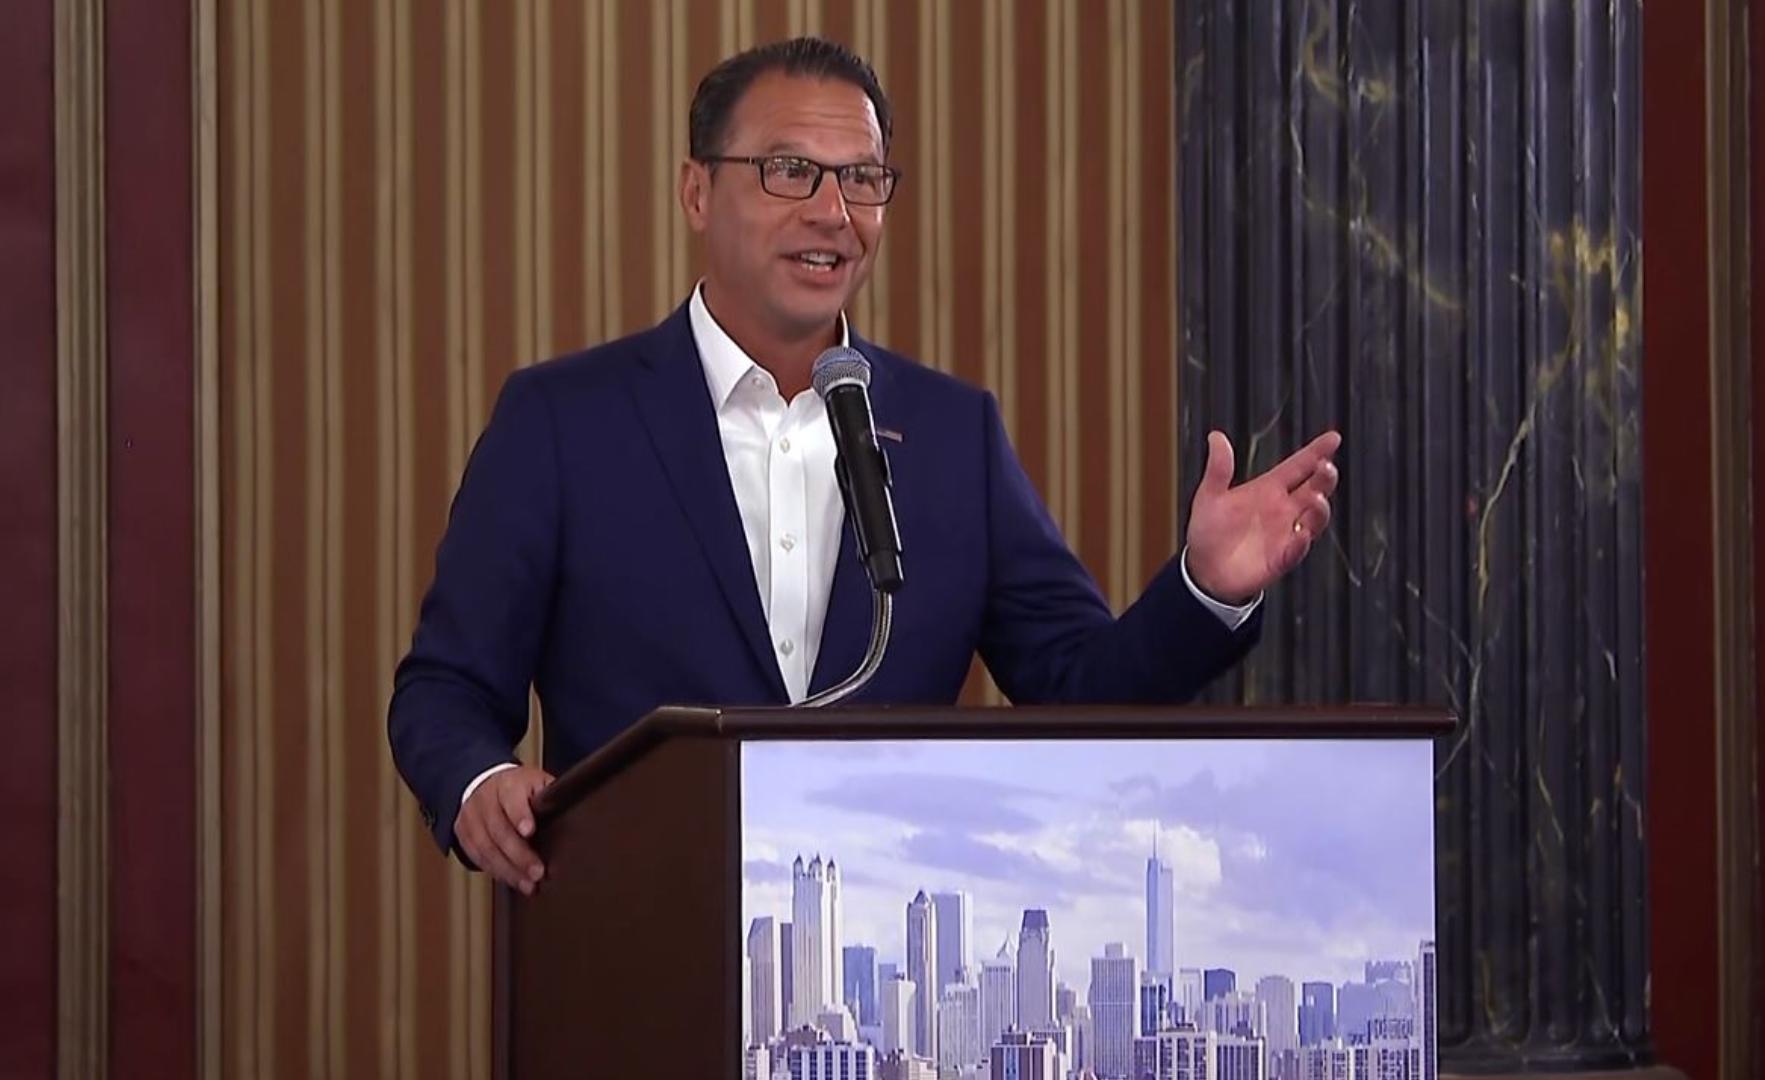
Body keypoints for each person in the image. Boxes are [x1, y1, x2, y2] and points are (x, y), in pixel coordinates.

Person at [386, 37, 1340, 895]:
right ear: (695, 191)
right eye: (790, 170)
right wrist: (479, 781)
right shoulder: (562, 421)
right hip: (637, 954)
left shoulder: (953, 432)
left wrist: (1205, 589)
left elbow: (1077, 688)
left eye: (864, 178)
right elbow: (447, 687)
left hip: (883, 982)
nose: (834, 213)